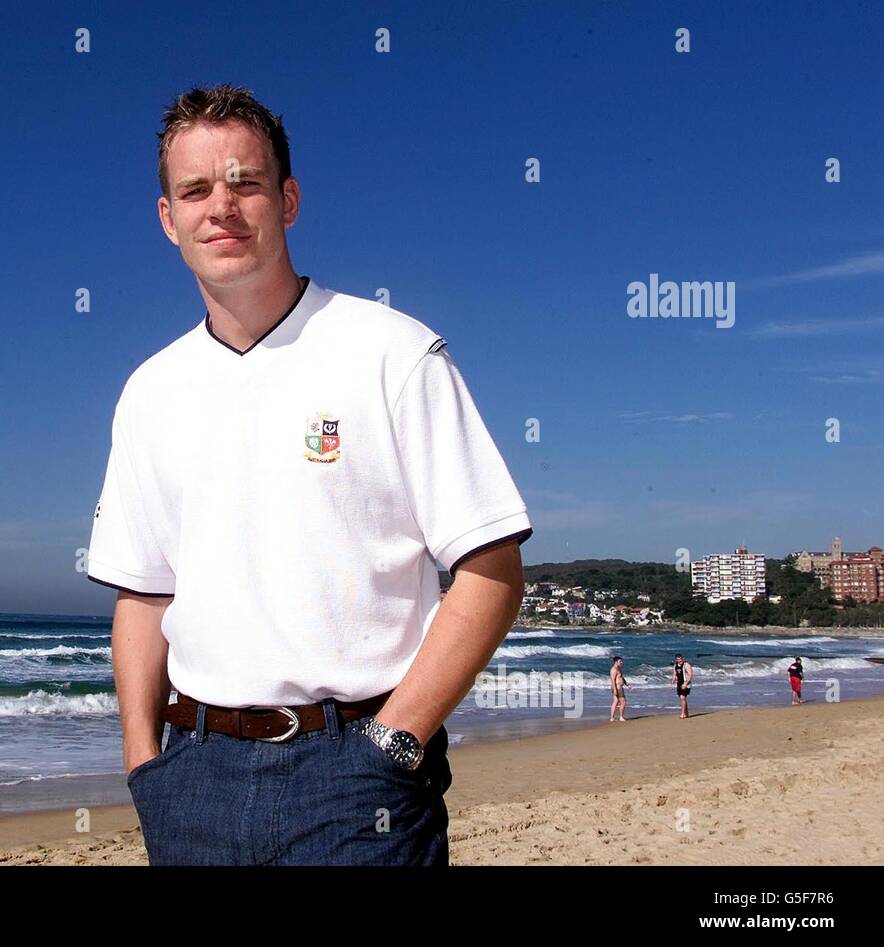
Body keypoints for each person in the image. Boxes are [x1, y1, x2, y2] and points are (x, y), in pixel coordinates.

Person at [86, 85, 532, 865]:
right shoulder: (149, 391)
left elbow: (491, 569)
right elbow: (145, 594)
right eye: (194, 190)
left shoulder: (393, 352)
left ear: (287, 200)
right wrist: (142, 767)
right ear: (168, 219)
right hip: (191, 774)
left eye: (244, 183)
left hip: (357, 774)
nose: (220, 206)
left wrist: (393, 745)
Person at [673, 654, 693, 719]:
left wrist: (685, 683)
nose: (679, 660)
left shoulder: (686, 665)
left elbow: (690, 675)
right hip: (679, 683)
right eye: (677, 659)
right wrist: (673, 679)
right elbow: (675, 673)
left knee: (682, 698)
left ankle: (682, 713)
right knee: (683, 699)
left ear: (683, 658)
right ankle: (686, 713)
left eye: (680, 659)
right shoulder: (676, 665)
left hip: (686, 683)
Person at [609, 656, 628, 721]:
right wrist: (615, 689)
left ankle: (612, 718)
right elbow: (612, 680)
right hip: (617, 687)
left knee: (616, 701)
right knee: (623, 702)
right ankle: (621, 717)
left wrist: (627, 684)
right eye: (620, 661)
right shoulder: (613, 669)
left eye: (621, 661)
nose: (621, 662)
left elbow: (621, 677)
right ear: (616, 662)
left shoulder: (619, 668)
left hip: (619, 687)